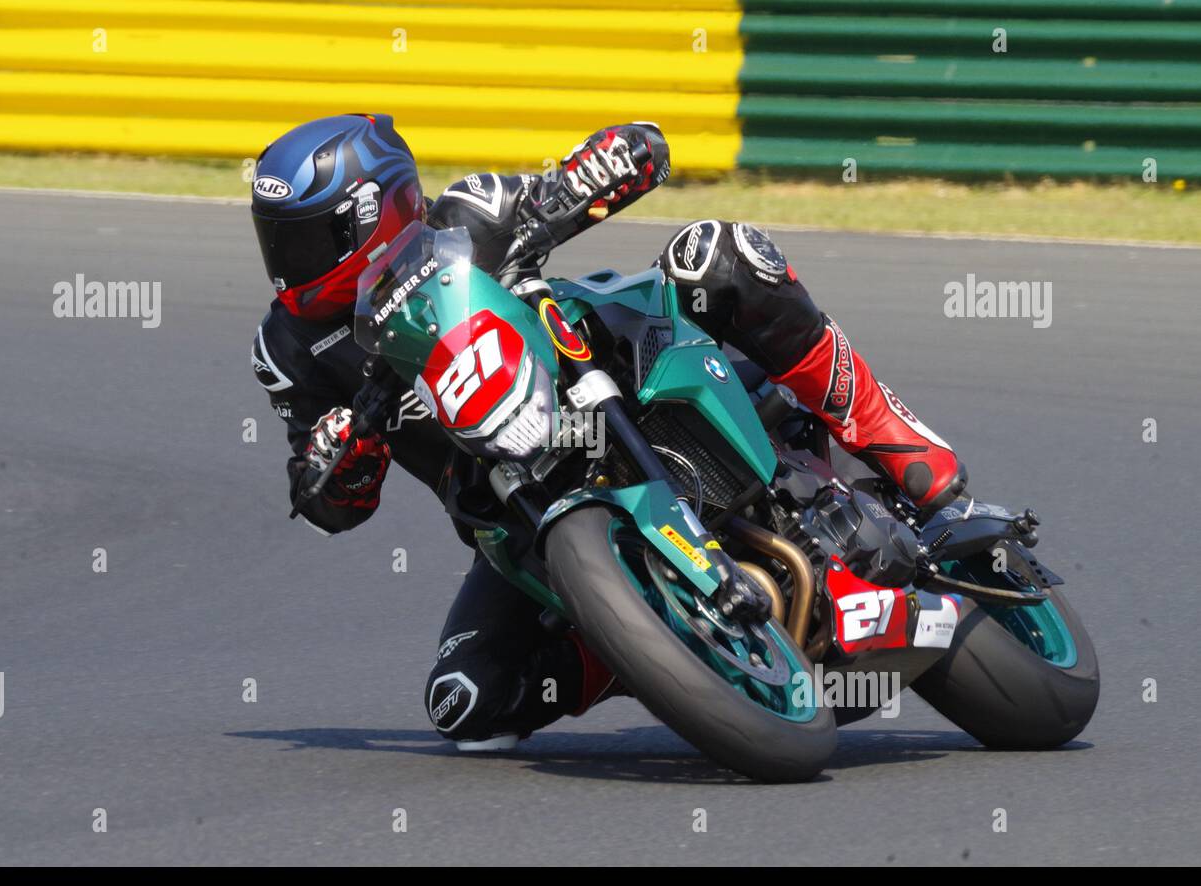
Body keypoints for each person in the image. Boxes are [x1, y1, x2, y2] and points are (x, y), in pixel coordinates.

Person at [250, 113, 967, 749]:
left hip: (614, 376)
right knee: (465, 698)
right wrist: (339, 460)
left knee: (716, 253)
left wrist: (594, 171)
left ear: (375, 214)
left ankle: (887, 431)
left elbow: (641, 148)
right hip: (514, 517)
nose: (289, 268)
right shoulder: (286, 348)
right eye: (277, 243)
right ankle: (651, 649)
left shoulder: (470, 215)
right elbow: (331, 506)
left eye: (308, 241)